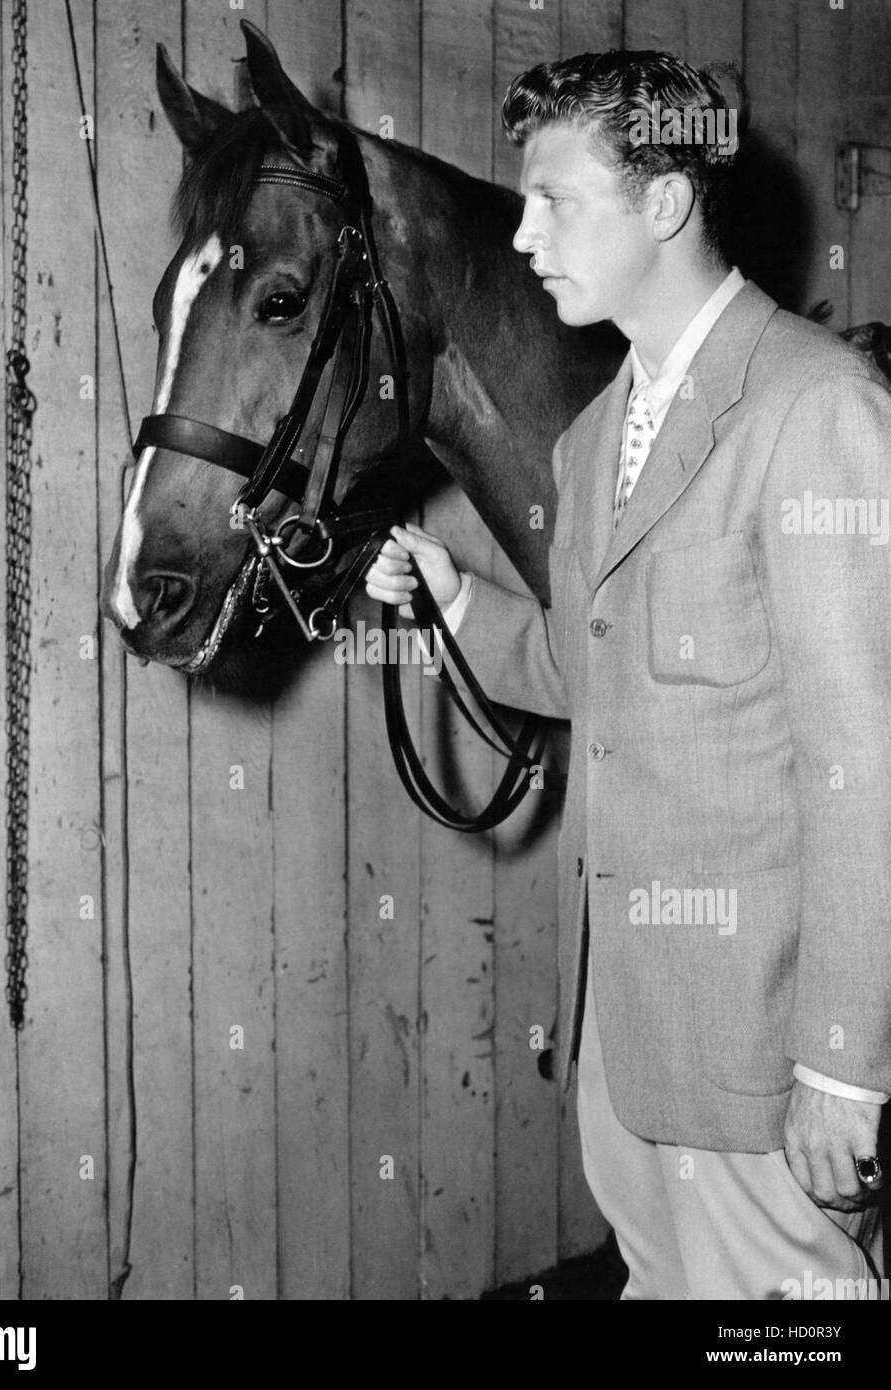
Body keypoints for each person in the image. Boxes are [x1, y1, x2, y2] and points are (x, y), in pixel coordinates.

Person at [366, 50, 891, 1300]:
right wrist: (455, 597)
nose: (526, 231)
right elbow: (580, 667)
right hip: (624, 1038)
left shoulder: (814, 407)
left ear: (664, 204)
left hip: (759, 1055)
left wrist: (840, 1066)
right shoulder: (602, 431)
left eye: (557, 200)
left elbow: (863, 763)